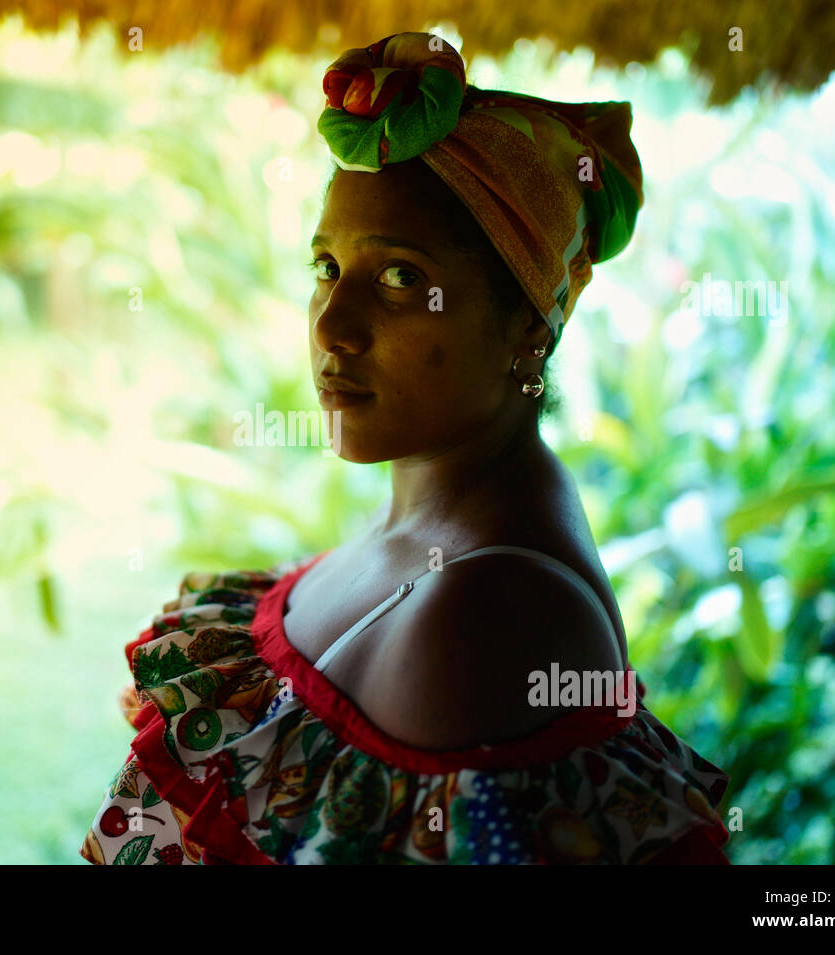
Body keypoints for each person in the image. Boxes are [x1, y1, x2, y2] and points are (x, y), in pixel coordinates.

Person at [80, 31, 730, 865]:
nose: (331, 325)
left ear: (527, 327)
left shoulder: (484, 616)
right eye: (326, 265)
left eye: (398, 278)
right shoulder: (437, 536)